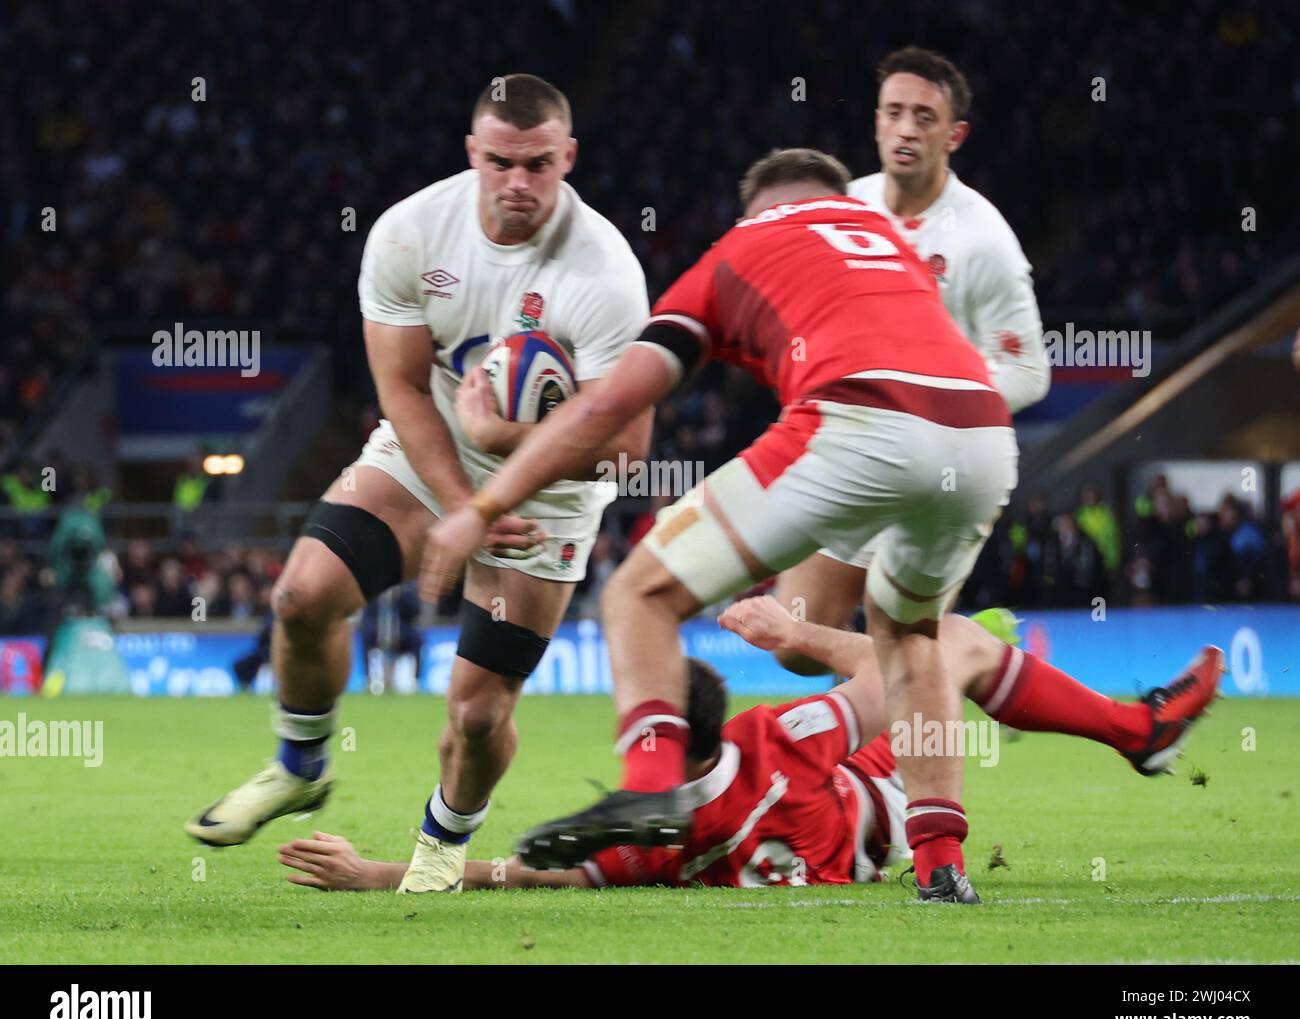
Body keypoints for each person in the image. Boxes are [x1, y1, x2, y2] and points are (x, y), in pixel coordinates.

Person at [423, 145, 1028, 900]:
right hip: (984, 435)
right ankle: (942, 867)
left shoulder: (746, 247)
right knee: (908, 637)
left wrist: (481, 501)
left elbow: (610, 406)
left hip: (860, 421)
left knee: (637, 594)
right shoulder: (890, 247)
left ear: (755, 213)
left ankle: (650, 784)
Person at [186, 74, 651, 900]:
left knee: (477, 716)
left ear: (568, 157)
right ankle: (301, 763)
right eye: (502, 162)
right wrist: (463, 498)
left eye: (540, 164)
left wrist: (499, 465)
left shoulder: (606, 271)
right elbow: (401, 387)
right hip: (424, 453)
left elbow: (626, 452)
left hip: (546, 496)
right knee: (302, 595)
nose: (519, 183)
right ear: (472, 152)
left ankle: (441, 847)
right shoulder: (410, 233)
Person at [279, 601, 1223, 895]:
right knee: (946, 641)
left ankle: (1034, 687)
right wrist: (798, 638)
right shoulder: (772, 737)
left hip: (830, 853)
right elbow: (900, 675)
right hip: (876, 800)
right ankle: (1122, 725)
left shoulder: (641, 847)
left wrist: (376, 875)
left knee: (952, 648)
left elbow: (519, 879)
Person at [772, 46, 1049, 674]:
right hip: (856, 456)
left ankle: (915, 710)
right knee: (795, 642)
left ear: (955, 135)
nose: (906, 128)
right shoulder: (846, 209)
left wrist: (933, 405)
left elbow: (1031, 371)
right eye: (894, 112)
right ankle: (974, 648)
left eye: (924, 117)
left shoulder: (983, 239)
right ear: (875, 122)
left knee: (897, 651)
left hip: (941, 474)